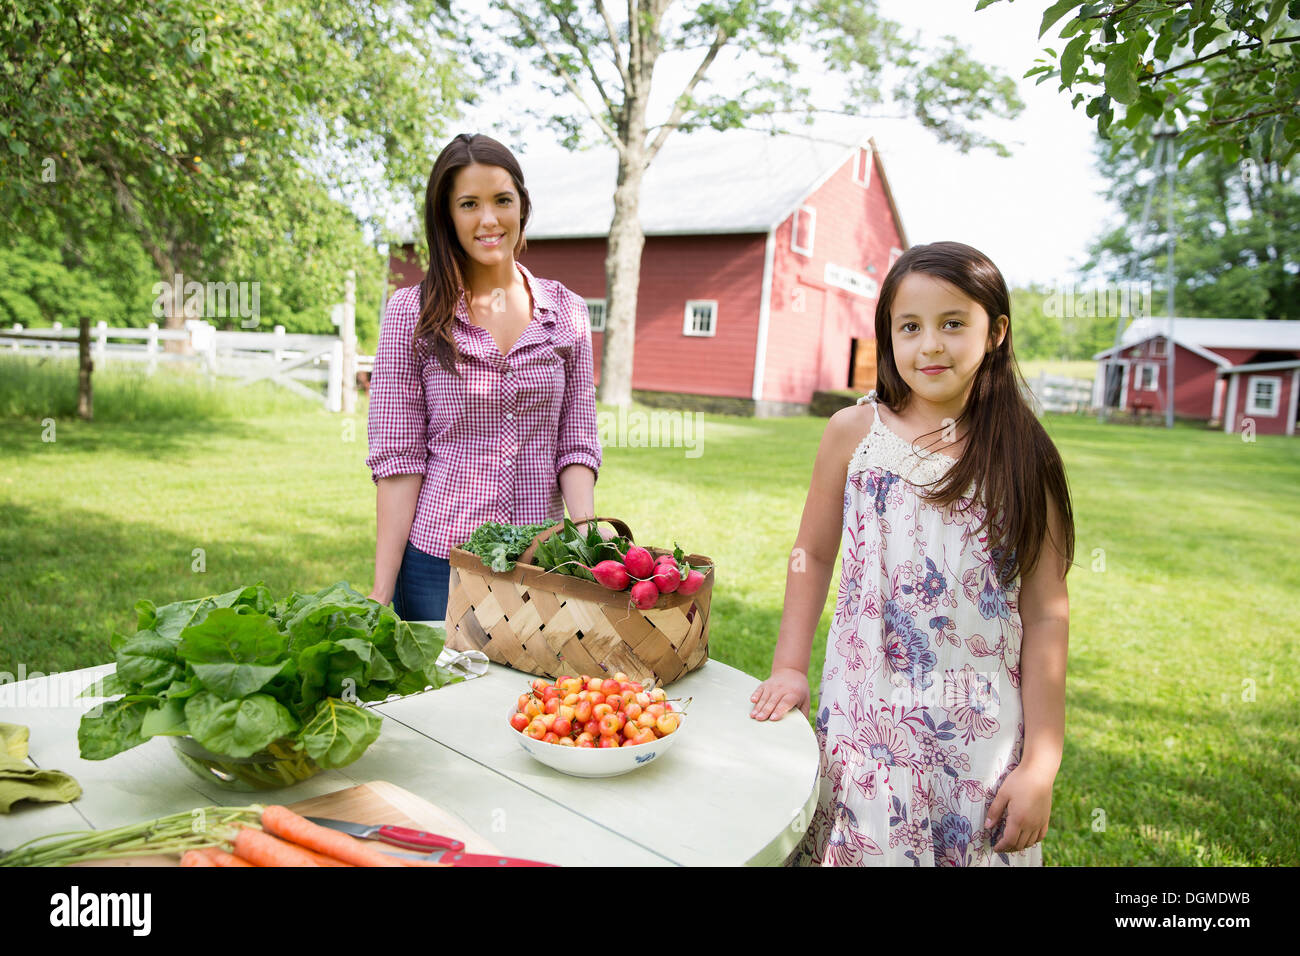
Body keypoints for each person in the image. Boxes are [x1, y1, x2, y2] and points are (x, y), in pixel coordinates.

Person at [750, 241, 1073, 866]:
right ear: (888, 336)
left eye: (954, 324)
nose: (930, 345)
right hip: (866, 722)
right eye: (910, 327)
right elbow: (812, 556)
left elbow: (1047, 615)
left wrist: (1041, 764)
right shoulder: (854, 434)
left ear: (996, 331)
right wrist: (790, 665)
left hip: (977, 742)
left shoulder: (1026, 458)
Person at [365, 133, 605, 621]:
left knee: (537, 697)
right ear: (447, 217)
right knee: (444, 696)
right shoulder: (410, 314)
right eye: (469, 204)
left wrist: (583, 542)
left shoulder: (568, 313)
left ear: (522, 205)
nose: (489, 219)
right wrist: (380, 592)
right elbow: (399, 459)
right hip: (439, 562)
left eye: (502, 200)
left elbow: (576, 443)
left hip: (542, 562)